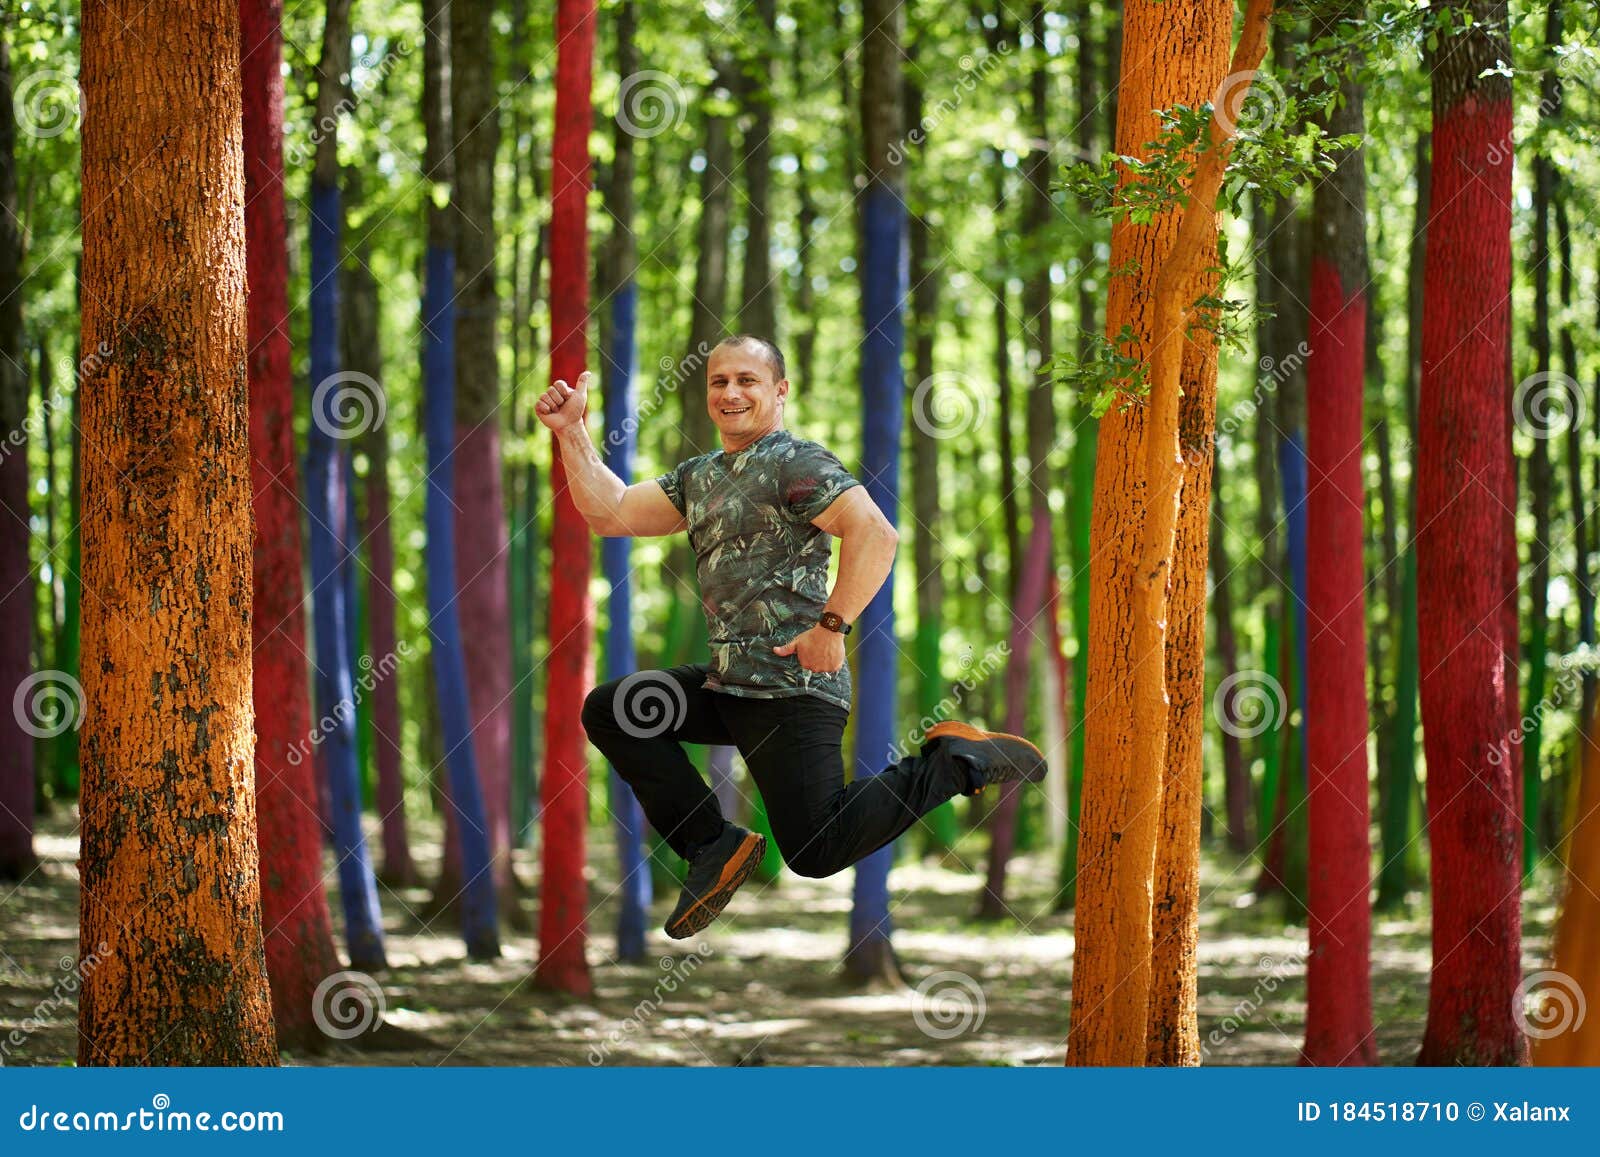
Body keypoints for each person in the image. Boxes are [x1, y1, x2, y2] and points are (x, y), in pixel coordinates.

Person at [535, 334, 1048, 940]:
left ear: (779, 391)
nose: (731, 392)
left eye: (747, 380)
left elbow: (875, 534)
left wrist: (832, 627)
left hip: (790, 685)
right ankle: (712, 844)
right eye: (719, 381)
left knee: (816, 851)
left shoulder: (795, 463)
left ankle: (957, 762)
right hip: (732, 685)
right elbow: (611, 511)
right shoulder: (699, 477)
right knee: (616, 710)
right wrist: (572, 432)